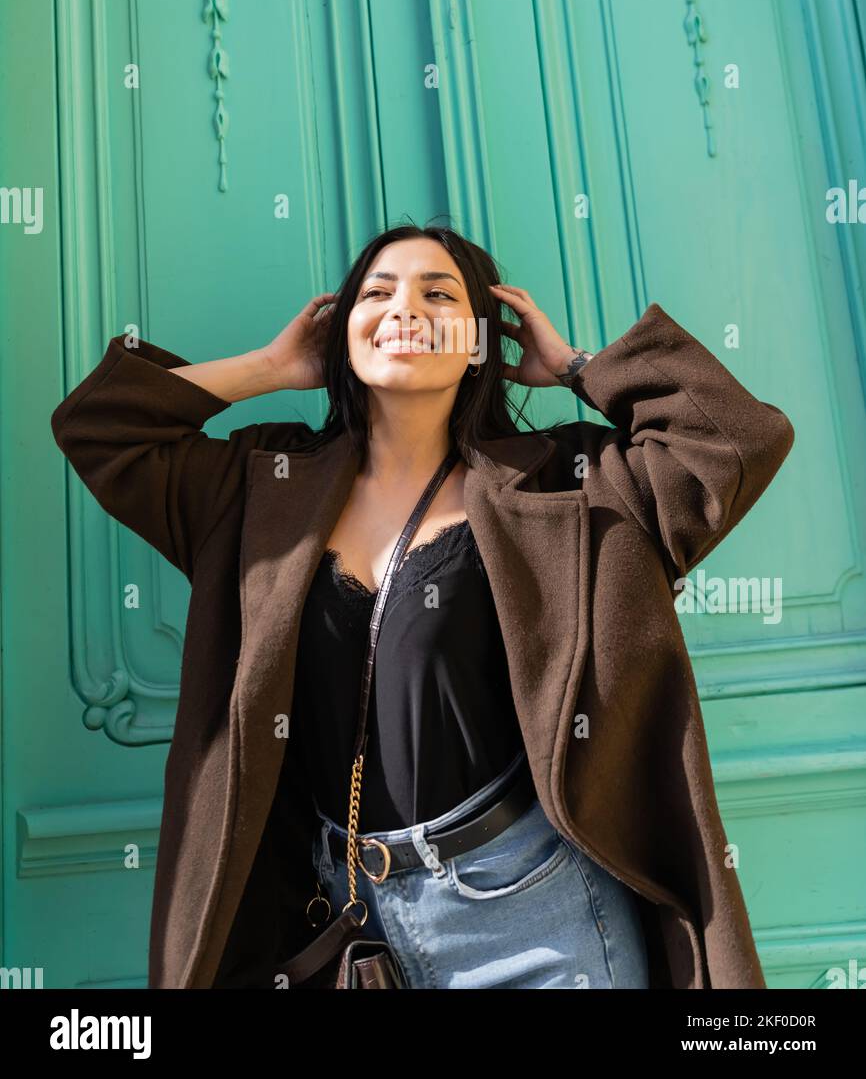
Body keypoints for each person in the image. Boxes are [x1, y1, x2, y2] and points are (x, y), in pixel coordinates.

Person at [50, 220, 794, 988]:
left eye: (438, 293)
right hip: (343, 923)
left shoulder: (569, 485)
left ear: (479, 343)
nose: (404, 306)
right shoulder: (260, 488)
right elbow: (101, 428)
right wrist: (272, 366)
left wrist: (577, 365)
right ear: (344, 333)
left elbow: (736, 441)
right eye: (376, 293)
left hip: (534, 915)